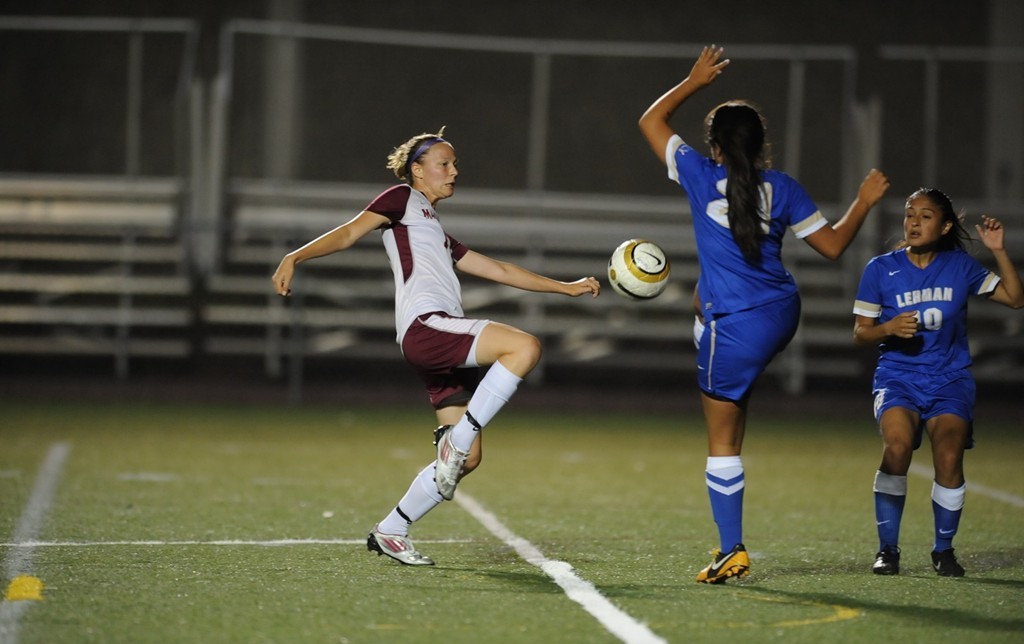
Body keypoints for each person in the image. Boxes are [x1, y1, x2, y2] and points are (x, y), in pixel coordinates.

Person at [272, 127, 601, 566]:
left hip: (440, 338)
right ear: (417, 171)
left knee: (468, 460)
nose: (453, 171)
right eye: (444, 164)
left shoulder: (439, 235)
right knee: (524, 348)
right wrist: (295, 256)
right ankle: (455, 441)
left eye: (454, 164)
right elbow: (350, 233)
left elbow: (501, 270)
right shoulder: (400, 199)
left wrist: (566, 288)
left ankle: (391, 529)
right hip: (428, 328)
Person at [638, 45, 890, 584]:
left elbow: (650, 120)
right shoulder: (784, 187)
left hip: (735, 325)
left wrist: (692, 82)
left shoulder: (698, 173)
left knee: (721, 441)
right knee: (729, 378)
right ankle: (712, 329)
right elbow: (833, 247)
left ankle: (731, 549)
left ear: (715, 147)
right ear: (760, 145)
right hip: (780, 311)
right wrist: (864, 200)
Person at [853, 189, 1023, 577]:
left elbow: (1015, 298)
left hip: (950, 380)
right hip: (898, 376)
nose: (913, 222)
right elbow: (860, 333)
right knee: (896, 448)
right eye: (910, 214)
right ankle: (888, 551)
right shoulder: (881, 268)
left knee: (948, 457)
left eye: (925, 216)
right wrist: (887, 328)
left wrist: (997, 249)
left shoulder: (960, 266)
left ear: (945, 226)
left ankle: (943, 551)